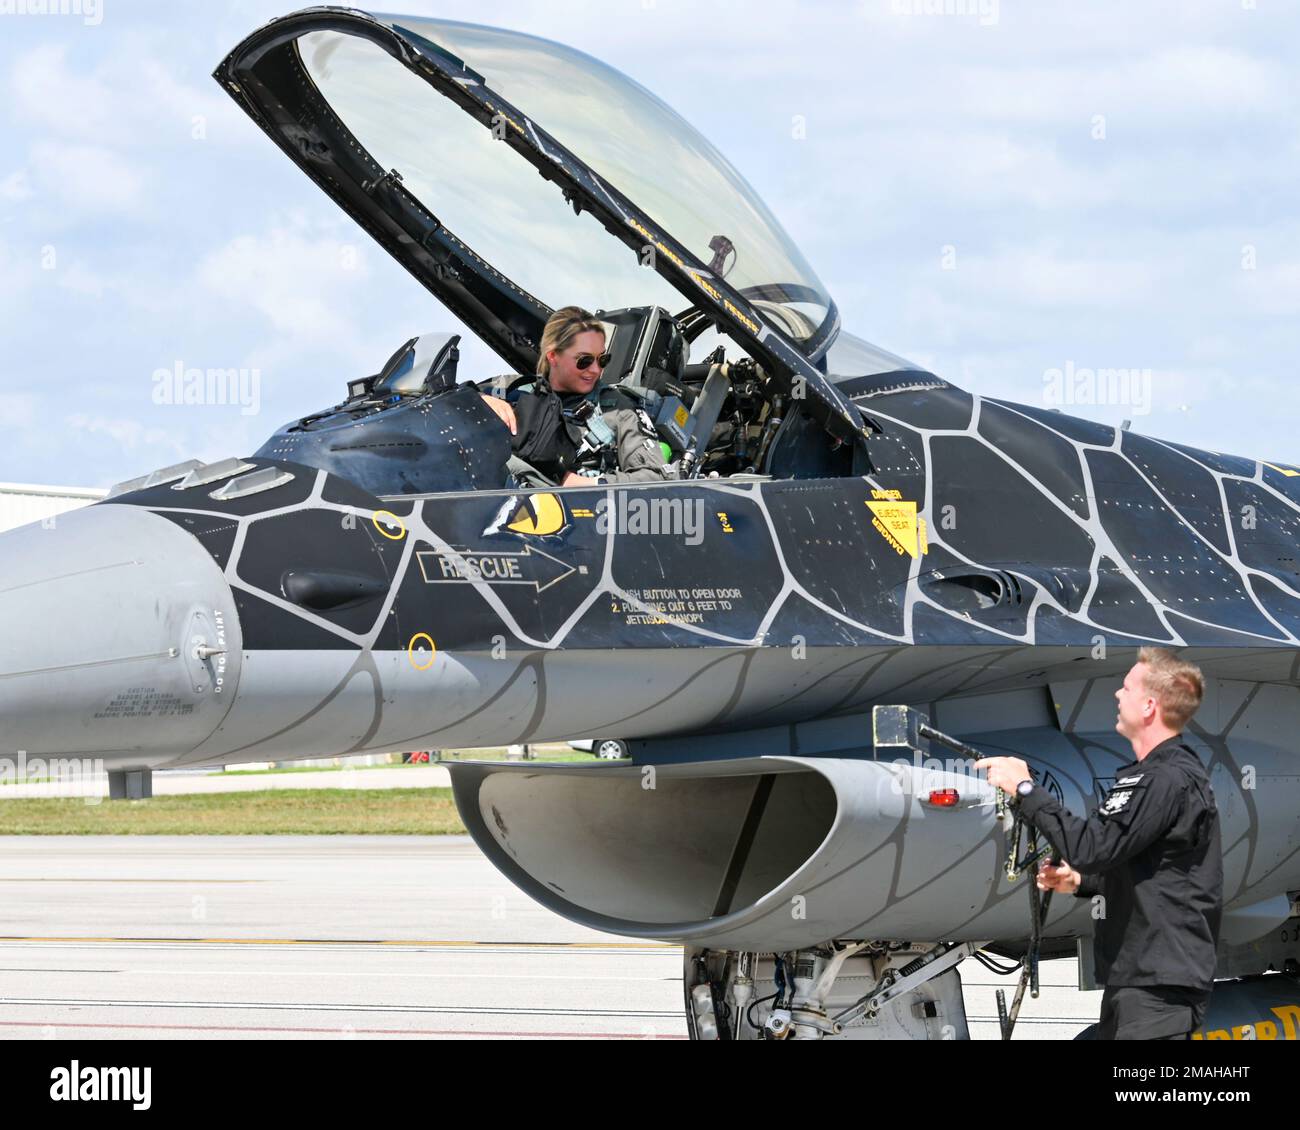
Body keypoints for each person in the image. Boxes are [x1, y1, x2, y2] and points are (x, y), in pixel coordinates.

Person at [974, 647, 1222, 1041]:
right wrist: (1080, 882)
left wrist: (1024, 789)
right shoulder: (1154, 776)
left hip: (1158, 984)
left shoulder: (1166, 779)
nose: (1117, 695)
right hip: (1138, 979)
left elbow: (1093, 848)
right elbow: (1154, 870)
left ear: (1149, 706)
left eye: (1126, 688)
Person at [479, 306, 675, 486]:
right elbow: (451, 405)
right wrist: (482, 400)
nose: (595, 370)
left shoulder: (618, 410)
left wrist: (582, 484)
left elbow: (656, 477)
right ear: (553, 356)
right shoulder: (511, 388)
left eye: (602, 359)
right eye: (584, 360)